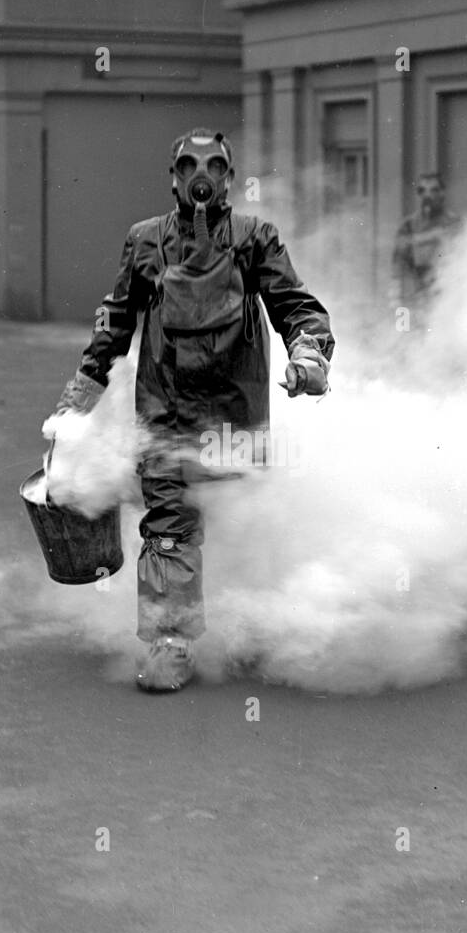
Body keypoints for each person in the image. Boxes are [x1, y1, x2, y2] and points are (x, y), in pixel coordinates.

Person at [53, 128, 334, 693]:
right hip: (164, 408)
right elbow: (116, 320)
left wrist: (309, 354)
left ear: (228, 178)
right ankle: (171, 640)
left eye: (214, 166)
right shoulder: (145, 240)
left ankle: (253, 620)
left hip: (234, 410)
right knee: (169, 524)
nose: (200, 176)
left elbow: (294, 305)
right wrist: (80, 394)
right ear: (174, 177)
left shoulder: (255, 238)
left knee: (242, 516)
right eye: (188, 165)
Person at [390, 172, 461, 309]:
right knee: (403, 322)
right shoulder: (409, 224)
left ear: (442, 193)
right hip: (413, 293)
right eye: (422, 190)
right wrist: (395, 295)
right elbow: (398, 259)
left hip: (444, 292)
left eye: (434, 190)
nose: (428, 195)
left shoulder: (453, 222)